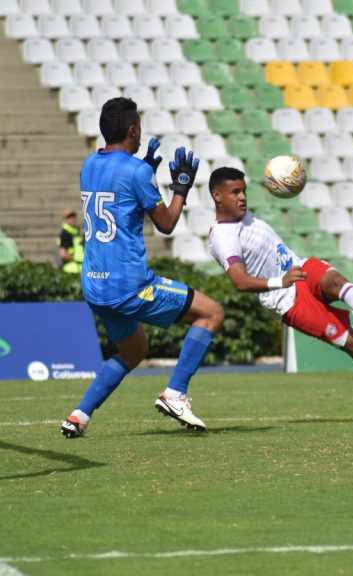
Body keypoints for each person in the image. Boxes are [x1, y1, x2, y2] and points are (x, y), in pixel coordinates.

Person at [61, 97, 225, 438]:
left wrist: (145, 169)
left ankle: (79, 415)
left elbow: (119, 195)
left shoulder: (88, 165)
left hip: (95, 286)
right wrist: (181, 187)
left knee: (133, 351)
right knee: (211, 313)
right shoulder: (136, 172)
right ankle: (175, 393)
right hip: (130, 286)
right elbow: (166, 223)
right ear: (133, 130)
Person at [207, 167, 353, 423]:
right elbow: (240, 282)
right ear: (217, 196)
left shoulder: (242, 218)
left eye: (244, 191)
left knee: (336, 281)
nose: (242, 197)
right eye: (235, 192)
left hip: (300, 268)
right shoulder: (223, 237)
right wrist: (281, 281)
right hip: (288, 301)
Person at [57, 207, 83, 274]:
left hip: (78, 268)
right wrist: (76, 258)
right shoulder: (65, 234)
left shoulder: (75, 232)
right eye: (69, 217)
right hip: (70, 270)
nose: (72, 219)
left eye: (74, 216)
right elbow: (63, 254)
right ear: (65, 219)